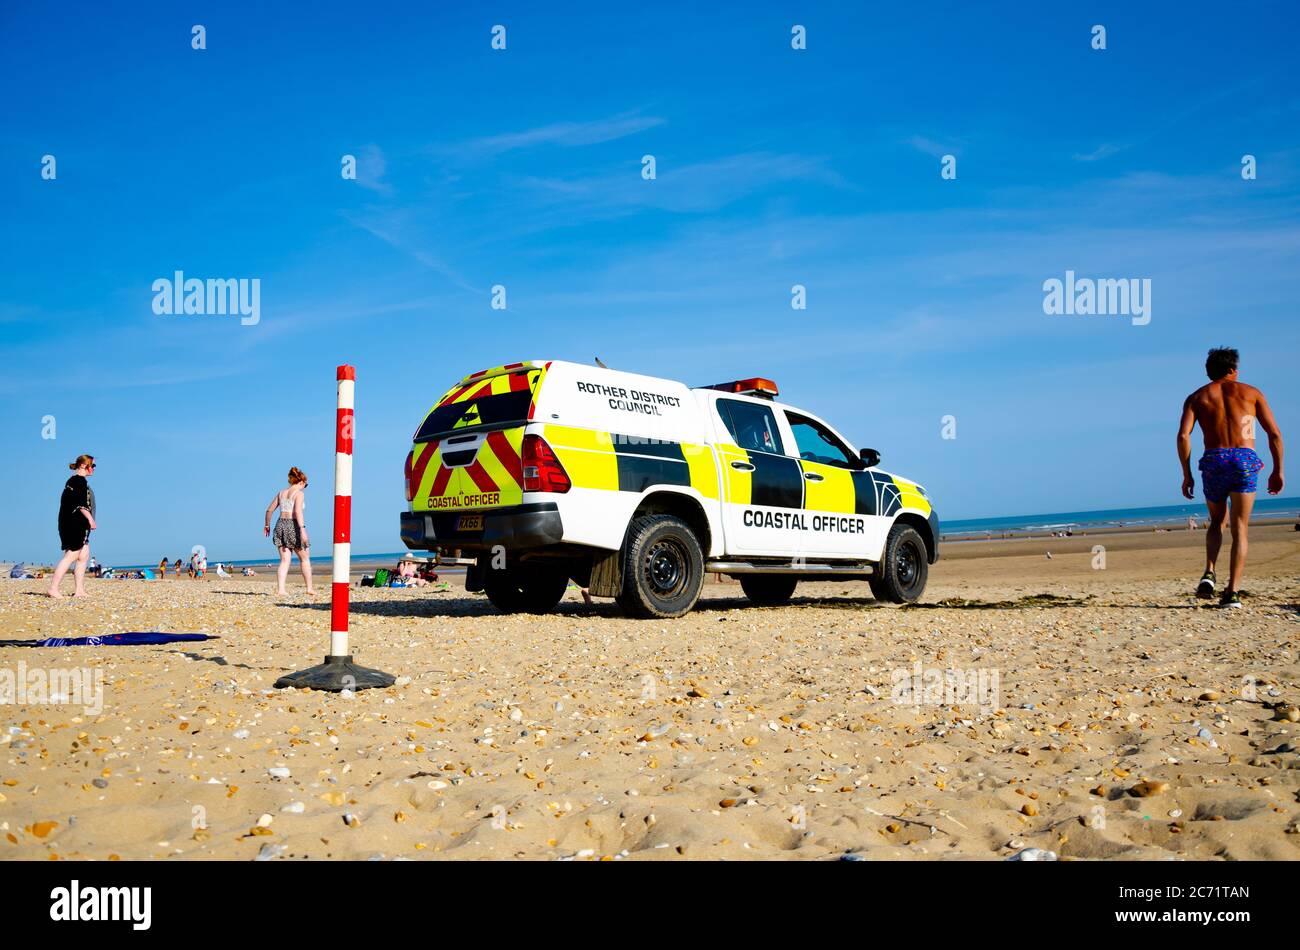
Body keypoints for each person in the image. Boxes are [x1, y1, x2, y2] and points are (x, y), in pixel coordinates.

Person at [1177, 347, 1285, 608]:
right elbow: (1274, 435)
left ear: (1208, 371)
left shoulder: (1197, 397)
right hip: (1244, 460)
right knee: (1240, 527)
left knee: (1216, 522)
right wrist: (1277, 470)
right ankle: (1232, 592)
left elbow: (1183, 436)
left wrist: (1187, 473)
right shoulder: (1251, 393)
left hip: (1214, 459)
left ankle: (1209, 571)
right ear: (1232, 370)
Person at [47, 454, 98, 598]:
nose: (93, 469)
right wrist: (90, 520)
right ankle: (53, 588)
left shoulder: (73, 481)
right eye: (92, 465)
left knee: (84, 555)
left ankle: (79, 590)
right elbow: (80, 504)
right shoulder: (78, 481)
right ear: (83, 465)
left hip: (71, 523)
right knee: (72, 555)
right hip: (75, 523)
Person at [264, 466, 314, 595]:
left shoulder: (281, 493)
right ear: (301, 482)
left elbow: (269, 510)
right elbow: (297, 512)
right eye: (306, 484)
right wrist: (302, 530)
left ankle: (281, 590)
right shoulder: (299, 494)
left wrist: (267, 525)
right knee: (304, 558)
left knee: (285, 560)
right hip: (293, 525)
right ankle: (309, 588)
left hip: (280, 524)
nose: (305, 487)